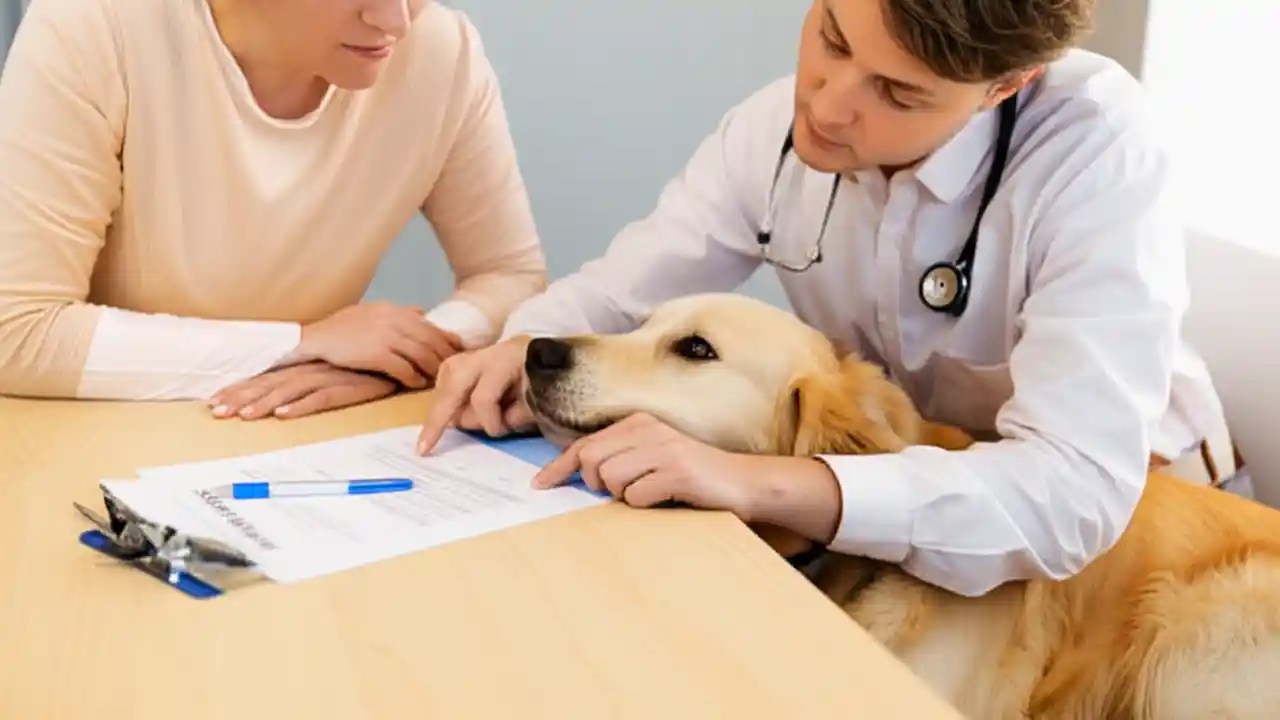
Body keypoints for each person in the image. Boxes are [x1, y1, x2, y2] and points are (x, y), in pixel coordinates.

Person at [417, 0, 1234, 598]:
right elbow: (608, 296)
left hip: (1138, 526)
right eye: (833, 37)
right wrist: (515, 351)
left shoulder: (1098, 151)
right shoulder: (770, 132)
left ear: (1006, 87)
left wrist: (756, 478)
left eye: (899, 93)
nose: (829, 103)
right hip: (891, 495)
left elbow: (1069, 494)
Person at [0, 0, 546, 419]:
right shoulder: (97, 24)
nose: (395, 19)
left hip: (296, 445)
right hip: (93, 438)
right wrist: (297, 346)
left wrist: (392, 361)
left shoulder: (440, 54)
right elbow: (16, 331)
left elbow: (512, 275)